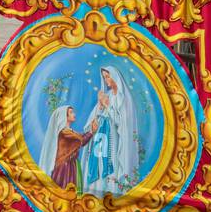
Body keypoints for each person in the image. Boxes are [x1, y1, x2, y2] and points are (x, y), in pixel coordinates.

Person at [81, 65, 139, 194]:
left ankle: (110, 193)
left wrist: (106, 105)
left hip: (113, 140)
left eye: (108, 76)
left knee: (110, 168)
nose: (106, 80)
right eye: (104, 77)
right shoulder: (107, 95)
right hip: (100, 139)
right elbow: (93, 118)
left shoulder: (122, 98)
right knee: (98, 167)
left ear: (115, 77)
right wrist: (100, 107)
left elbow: (122, 123)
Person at [39, 105, 98, 191]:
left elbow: (81, 137)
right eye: (70, 112)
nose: (74, 114)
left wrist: (91, 131)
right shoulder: (64, 133)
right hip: (64, 168)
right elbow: (82, 140)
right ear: (64, 116)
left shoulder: (69, 131)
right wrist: (92, 131)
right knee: (65, 192)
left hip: (70, 165)